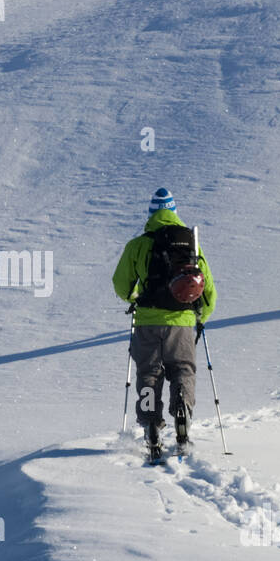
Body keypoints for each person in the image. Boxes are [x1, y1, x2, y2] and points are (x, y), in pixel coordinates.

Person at [112, 188, 216, 456]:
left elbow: (121, 285)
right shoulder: (191, 244)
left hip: (147, 321)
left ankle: (150, 426)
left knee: (149, 372)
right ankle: (182, 409)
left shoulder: (138, 245)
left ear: (151, 214)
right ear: (174, 212)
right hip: (181, 323)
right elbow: (208, 291)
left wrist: (134, 298)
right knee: (183, 369)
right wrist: (200, 316)